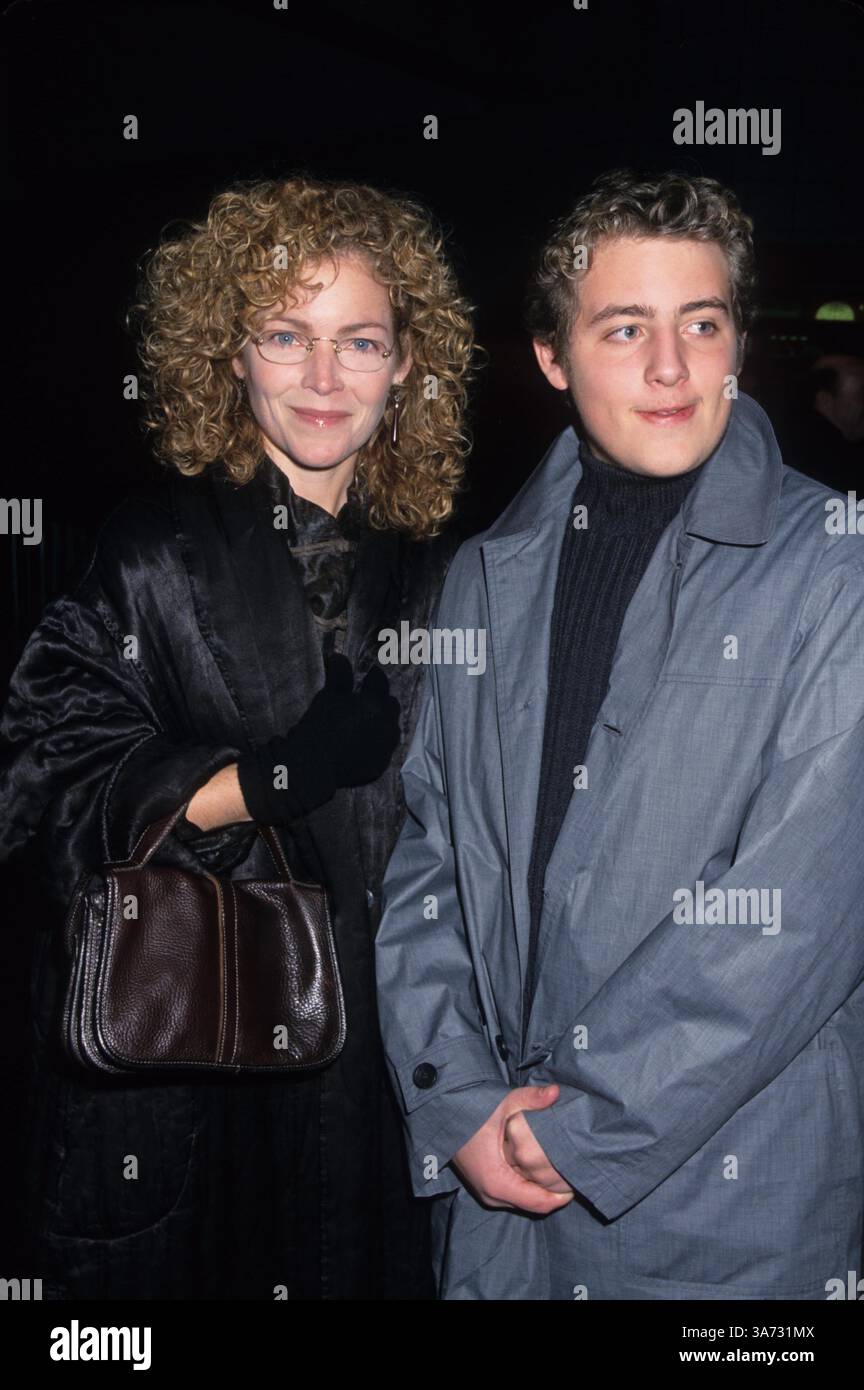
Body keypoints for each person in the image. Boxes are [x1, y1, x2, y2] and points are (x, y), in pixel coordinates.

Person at [375, 168, 864, 1300]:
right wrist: (455, 1099)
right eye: (624, 327)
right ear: (552, 357)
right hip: (500, 1210)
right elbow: (429, 854)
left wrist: (583, 1128)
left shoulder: (836, 564)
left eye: (702, 323)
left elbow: (800, 914)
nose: (670, 368)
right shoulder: (485, 577)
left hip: (727, 1225)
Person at [0, 174, 475, 1299]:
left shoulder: (455, 569)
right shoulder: (150, 550)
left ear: (408, 363)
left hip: (391, 1073)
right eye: (284, 334)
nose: (321, 378)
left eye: (360, 340)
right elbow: (37, 776)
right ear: (227, 353)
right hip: (198, 1070)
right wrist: (263, 780)